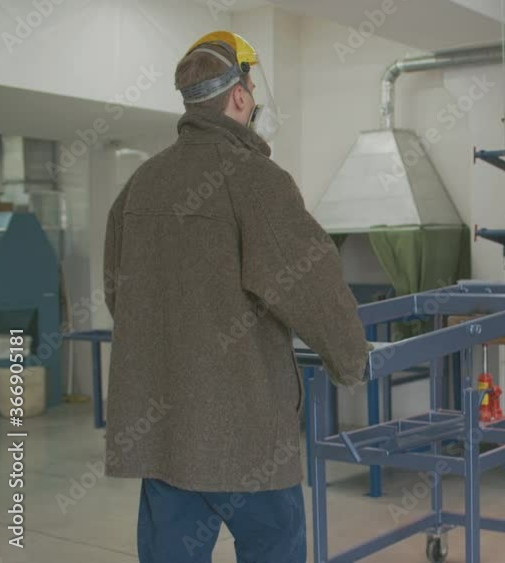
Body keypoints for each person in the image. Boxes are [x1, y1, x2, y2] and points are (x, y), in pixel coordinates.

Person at [103, 31, 370, 563]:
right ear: (241, 97)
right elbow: (312, 287)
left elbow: (119, 291)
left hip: (166, 436)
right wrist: (351, 360)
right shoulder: (256, 179)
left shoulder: (140, 185)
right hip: (247, 439)